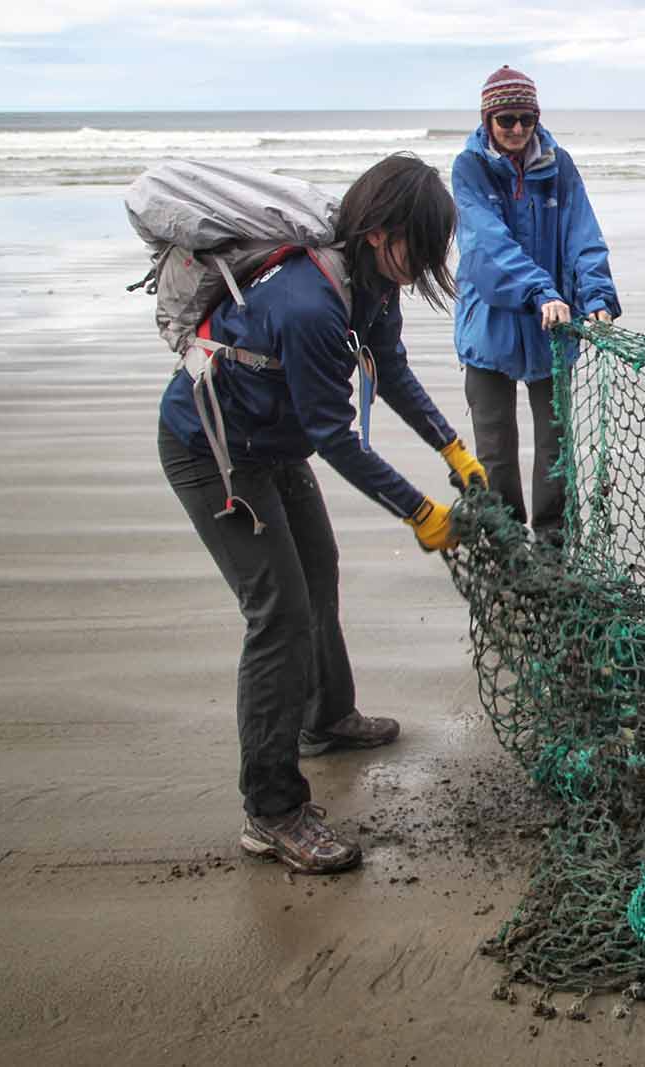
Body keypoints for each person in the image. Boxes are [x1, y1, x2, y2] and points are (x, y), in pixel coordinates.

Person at [157, 153, 488, 874]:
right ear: (378, 231)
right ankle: (271, 810)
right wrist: (421, 510)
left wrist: (453, 447)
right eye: (419, 246)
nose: (425, 261)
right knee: (278, 611)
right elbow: (334, 436)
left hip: (271, 441)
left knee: (320, 571)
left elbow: (389, 367)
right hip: (212, 450)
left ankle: (325, 716)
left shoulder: (373, 282)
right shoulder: (309, 304)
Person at [452, 65, 621, 544]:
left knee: (555, 445)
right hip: (490, 328)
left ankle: (553, 543)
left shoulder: (558, 164)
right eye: (506, 119)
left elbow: (582, 235)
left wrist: (597, 296)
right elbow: (488, 246)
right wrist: (540, 291)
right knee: (496, 447)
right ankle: (506, 540)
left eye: (526, 118)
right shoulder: (468, 168)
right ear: (488, 119)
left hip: (554, 329)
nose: (517, 129)